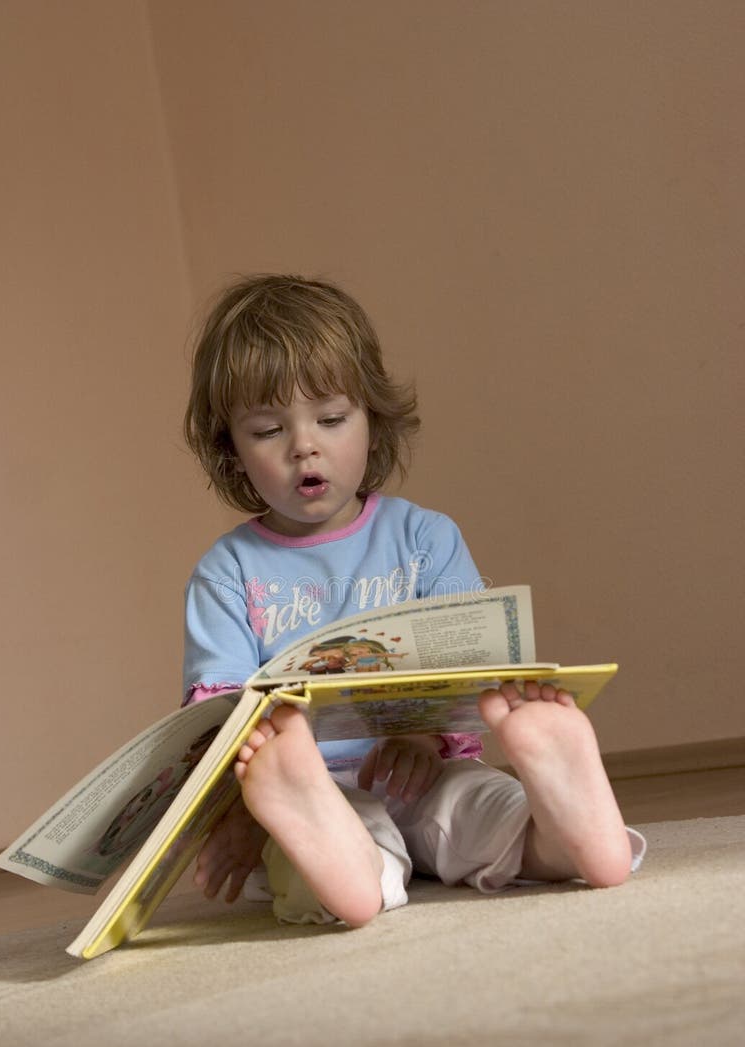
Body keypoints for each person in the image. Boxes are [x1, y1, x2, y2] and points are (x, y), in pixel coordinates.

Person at [182, 273, 645, 928]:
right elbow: (220, 718)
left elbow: (468, 668)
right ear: (230, 449)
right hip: (317, 791)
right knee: (325, 845)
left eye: (332, 418)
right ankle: (335, 843)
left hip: (424, 769)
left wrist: (426, 741)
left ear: (373, 418)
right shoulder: (227, 572)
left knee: (484, 806)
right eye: (266, 430)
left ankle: (562, 819)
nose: (304, 445)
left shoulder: (424, 539)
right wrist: (235, 808)